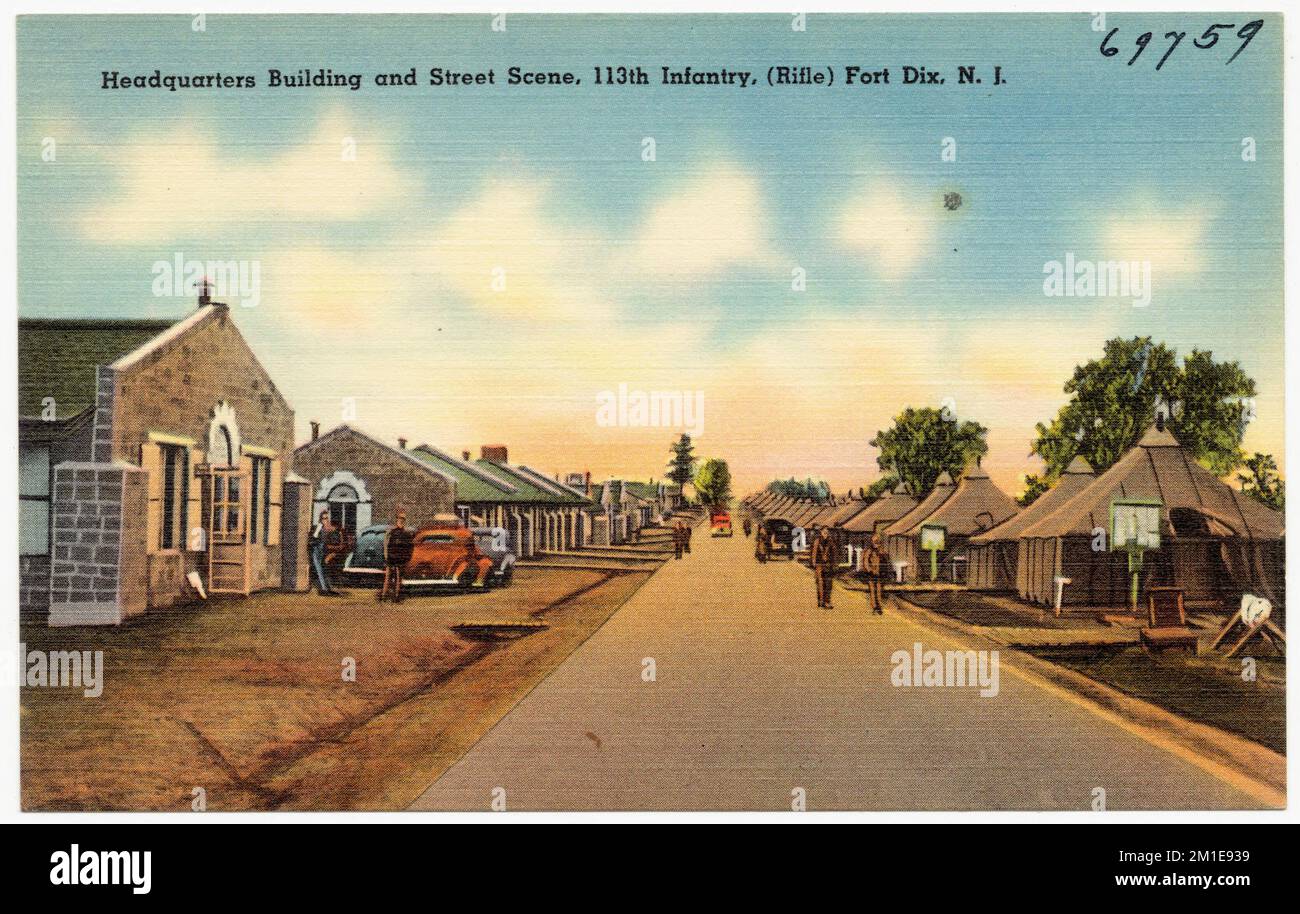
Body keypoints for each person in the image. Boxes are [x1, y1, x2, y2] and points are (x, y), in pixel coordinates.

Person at [379, 510, 415, 603]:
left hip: (400, 557)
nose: (401, 522)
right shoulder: (391, 532)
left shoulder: (406, 533)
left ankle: (396, 596)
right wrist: (386, 556)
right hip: (391, 556)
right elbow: (386, 544)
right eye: (400, 520)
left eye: (402, 520)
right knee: (388, 576)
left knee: (399, 577)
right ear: (397, 521)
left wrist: (407, 557)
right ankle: (384, 596)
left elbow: (409, 546)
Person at [309, 510, 341, 596]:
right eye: (323, 519)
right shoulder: (319, 527)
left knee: (324, 569)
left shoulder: (330, 528)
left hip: (324, 549)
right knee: (319, 569)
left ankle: (328, 588)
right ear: (320, 519)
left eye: (326, 518)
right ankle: (324, 589)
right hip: (317, 549)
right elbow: (314, 538)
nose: (325, 520)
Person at [810, 525, 836, 609]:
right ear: (821, 532)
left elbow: (834, 552)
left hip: (827, 565)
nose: (826, 534)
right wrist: (813, 561)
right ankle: (821, 601)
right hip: (819, 564)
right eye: (824, 532)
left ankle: (827, 601)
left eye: (827, 532)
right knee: (820, 583)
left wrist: (834, 563)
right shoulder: (817, 540)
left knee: (828, 583)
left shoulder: (830, 541)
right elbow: (814, 551)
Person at [863, 532, 886, 615]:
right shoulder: (869, 550)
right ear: (872, 541)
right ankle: (874, 607)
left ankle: (879, 606)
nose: (876, 542)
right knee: (872, 590)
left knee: (879, 590)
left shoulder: (881, 550)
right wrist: (869, 569)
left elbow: (884, 560)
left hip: (879, 573)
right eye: (874, 540)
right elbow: (865, 561)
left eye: (877, 540)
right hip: (871, 573)